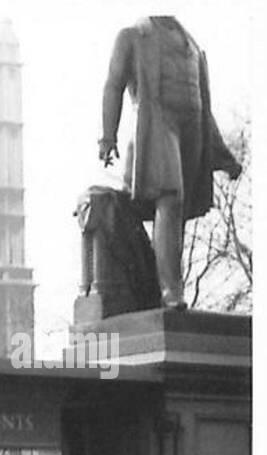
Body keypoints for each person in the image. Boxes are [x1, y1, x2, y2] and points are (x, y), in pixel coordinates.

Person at [99, 16, 242, 309]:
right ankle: (170, 292)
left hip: (191, 130)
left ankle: (163, 287)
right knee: (170, 197)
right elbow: (113, 84)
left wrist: (223, 156)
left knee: (179, 209)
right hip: (156, 123)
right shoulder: (132, 35)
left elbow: (204, 108)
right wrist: (108, 136)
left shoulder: (193, 45)